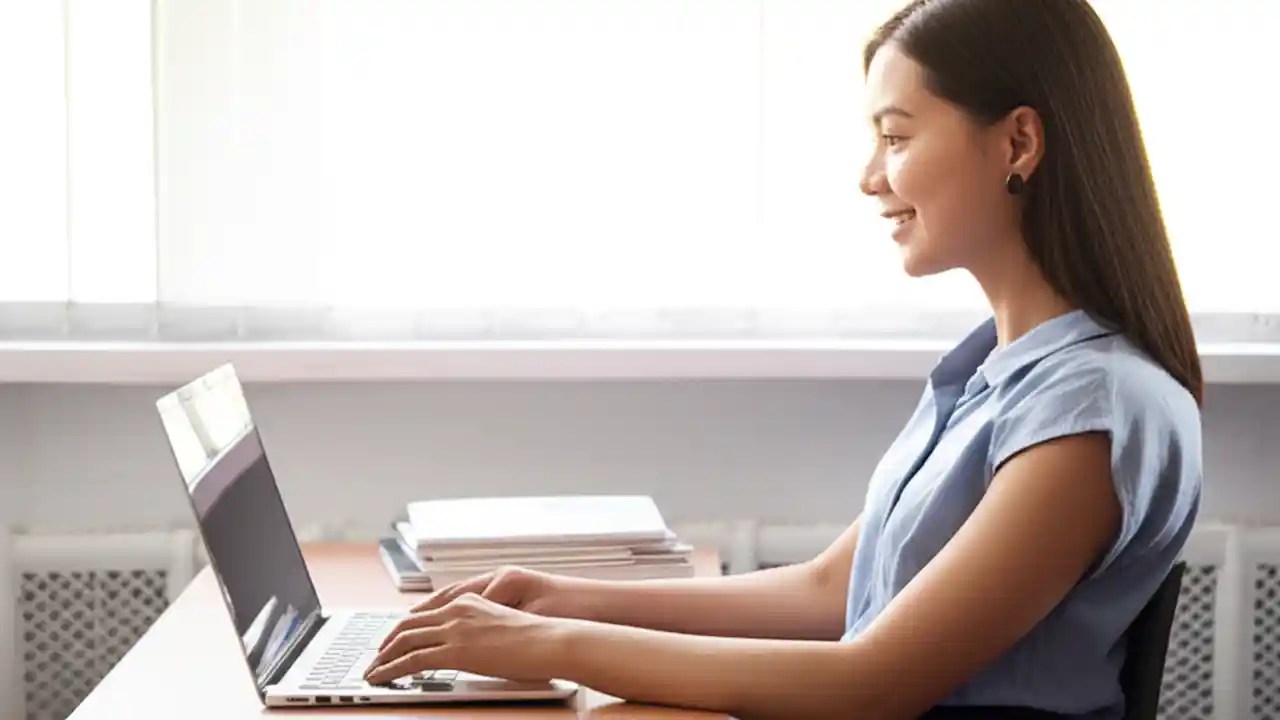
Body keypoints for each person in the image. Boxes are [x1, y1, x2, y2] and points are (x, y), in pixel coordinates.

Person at [363, 0, 1204, 717]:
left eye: (896, 137)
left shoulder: (1093, 408)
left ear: (1018, 143)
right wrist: (558, 597)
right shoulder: (1001, 371)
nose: (871, 176)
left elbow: (876, 681)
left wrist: (551, 644)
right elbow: (828, 592)